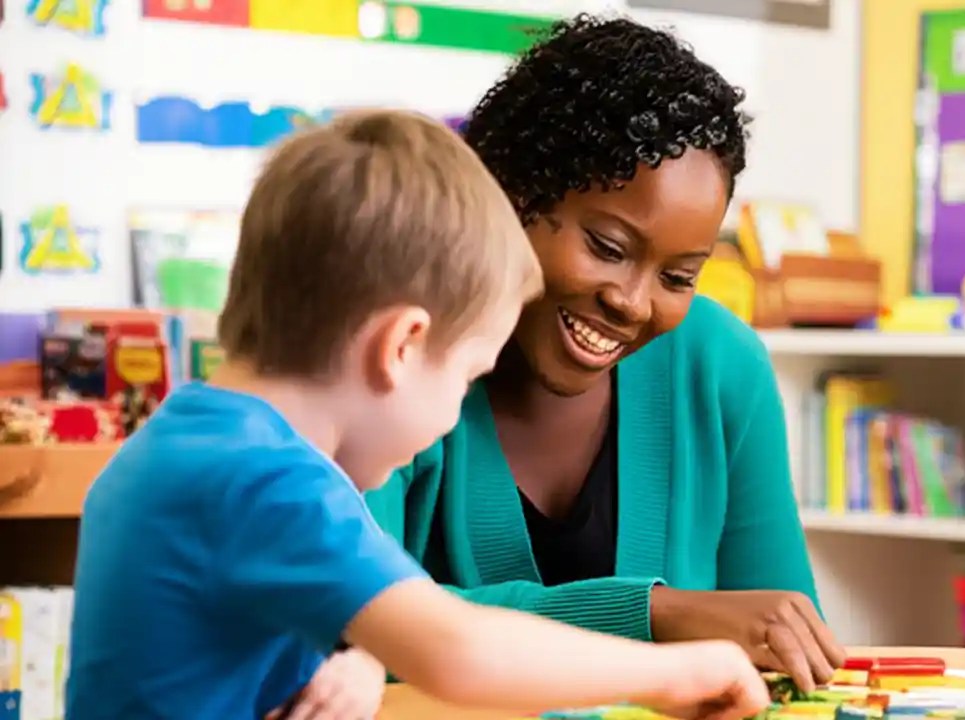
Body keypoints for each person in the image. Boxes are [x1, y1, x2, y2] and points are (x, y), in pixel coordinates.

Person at [66, 110, 769, 720]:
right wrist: (684, 671)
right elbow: (457, 650)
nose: (454, 418)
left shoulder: (187, 438)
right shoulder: (266, 483)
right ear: (400, 346)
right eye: (468, 375)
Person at [365, 14, 845, 693]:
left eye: (679, 277)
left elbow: (784, 643)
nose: (633, 302)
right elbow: (354, 627)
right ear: (512, 194)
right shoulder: (400, 352)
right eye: (608, 248)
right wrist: (656, 616)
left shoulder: (719, 366)